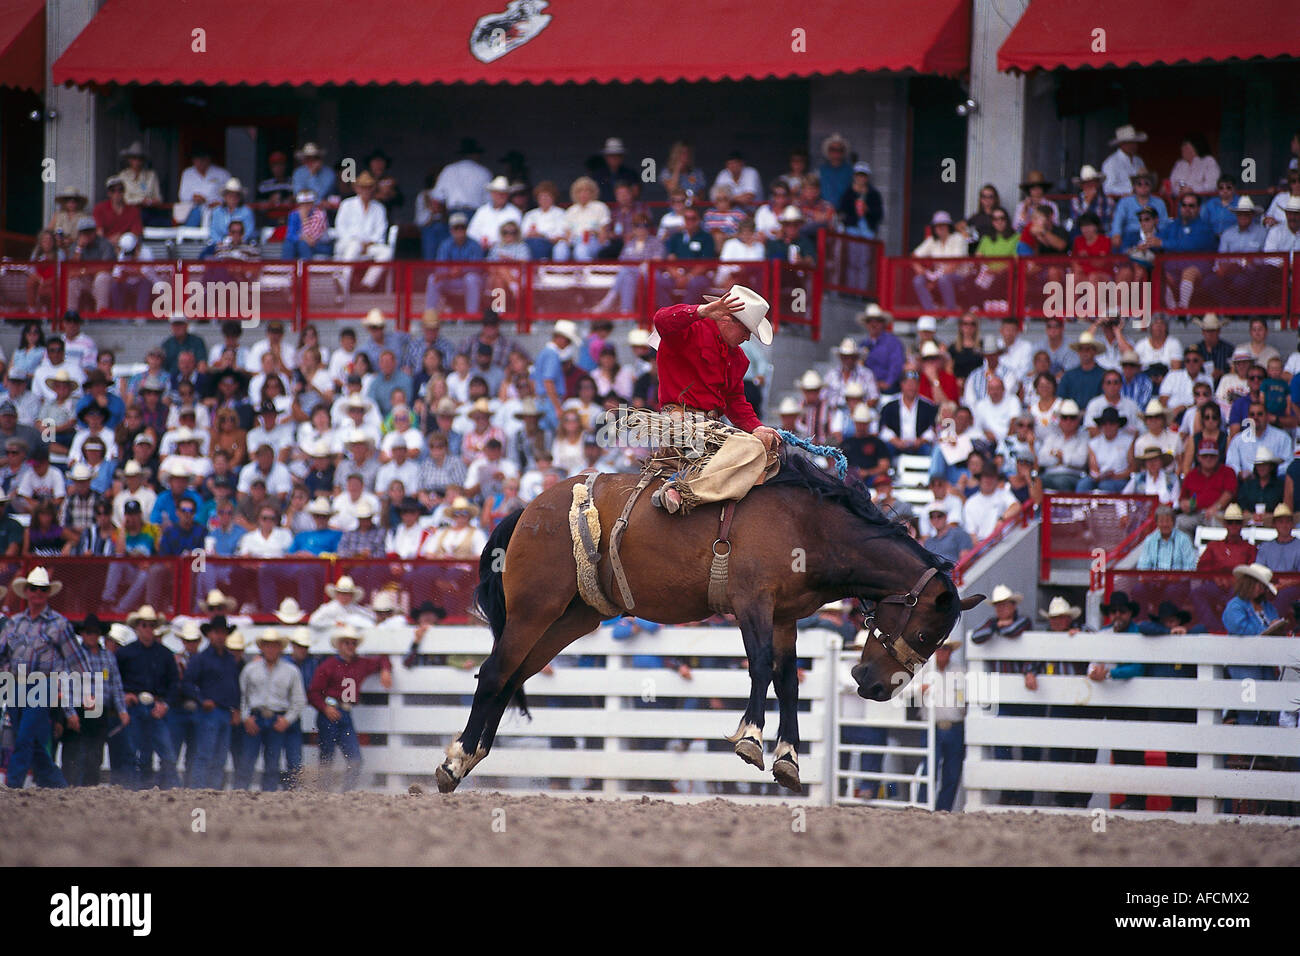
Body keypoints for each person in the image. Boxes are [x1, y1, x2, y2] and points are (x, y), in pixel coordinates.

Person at [646, 288, 781, 514]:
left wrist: (758, 427)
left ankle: (684, 488)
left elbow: (736, 402)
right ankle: (685, 488)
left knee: (770, 457)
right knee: (750, 449)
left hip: (711, 427)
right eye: (747, 330)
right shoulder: (689, 329)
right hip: (680, 420)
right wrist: (701, 311)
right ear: (727, 319)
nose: (747, 337)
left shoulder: (739, 359)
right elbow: (661, 319)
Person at [0, 568, 87, 789]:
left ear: (48, 593)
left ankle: (13, 784)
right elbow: (3, 654)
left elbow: (76, 660)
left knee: (24, 737)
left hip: (43, 684)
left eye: (42, 589)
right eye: (34, 588)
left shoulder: (59, 624)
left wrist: (86, 691)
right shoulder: (14, 622)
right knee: (29, 739)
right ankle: (56, 783)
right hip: (15, 684)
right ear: (26, 591)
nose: (38, 593)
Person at [969, 584, 1040, 806]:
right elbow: (976, 637)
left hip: (1023, 697)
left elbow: (1013, 631)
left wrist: (997, 629)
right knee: (1003, 745)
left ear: (1013, 605)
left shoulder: (1025, 620)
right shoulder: (996, 623)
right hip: (1005, 696)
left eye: (1004, 605)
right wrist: (998, 628)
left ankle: (1024, 795)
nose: (1001, 609)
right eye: (998, 606)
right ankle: (1008, 792)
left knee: (1027, 746)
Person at [307, 624, 392, 791]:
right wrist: (324, 708)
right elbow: (313, 692)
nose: (351, 647)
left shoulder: (361, 663)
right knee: (327, 756)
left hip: (345, 714)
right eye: (347, 643)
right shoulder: (328, 666)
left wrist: (385, 670)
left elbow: (383, 659)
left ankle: (347, 792)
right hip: (329, 714)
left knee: (355, 759)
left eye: (353, 643)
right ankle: (323, 791)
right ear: (339, 645)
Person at [116, 604, 181, 789]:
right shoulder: (124, 653)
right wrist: (124, 696)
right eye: (144, 625)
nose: (148, 629)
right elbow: (114, 680)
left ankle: (172, 790)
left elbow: (174, 683)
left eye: (151, 625)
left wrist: (165, 704)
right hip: (133, 706)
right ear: (137, 627)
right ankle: (131, 789)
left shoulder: (165, 654)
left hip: (156, 707)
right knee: (133, 752)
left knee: (167, 754)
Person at [61, 614, 127, 787]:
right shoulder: (73, 656)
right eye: (88, 632)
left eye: (95, 632)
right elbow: (66, 684)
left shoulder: (108, 657)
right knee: (74, 752)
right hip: (79, 709)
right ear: (82, 634)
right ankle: (70, 788)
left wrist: (122, 710)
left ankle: (90, 787)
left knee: (95, 753)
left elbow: (116, 685)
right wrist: (70, 712)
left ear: (99, 634)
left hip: (100, 711)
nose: (91, 635)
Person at [238, 629, 306, 793]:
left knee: (272, 762)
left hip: (277, 718)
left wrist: (287, 719)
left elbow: (299, 700)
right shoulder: (250, 669)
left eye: (274, 646)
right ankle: (239, 794)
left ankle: (269, 795)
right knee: (247, 760)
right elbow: (242, 696)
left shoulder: (291, 671)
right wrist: (245, 717)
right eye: (267, 645)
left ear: (280, 648)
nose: (270, 649)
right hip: (255, 717)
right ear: (262, 647)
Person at [181, 614, 242, 790]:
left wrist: (236, 709)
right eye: (217, 632)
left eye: (223, 632)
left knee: (220, 757)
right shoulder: (200, 659)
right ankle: (199, 789)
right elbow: (187, 683)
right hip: (209, 712)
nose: (220, 636)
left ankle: (213, 790)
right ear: (210, 634)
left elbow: (234, 686)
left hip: (224, 712)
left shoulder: (230, 659)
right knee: (205, 754)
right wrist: (201, 700)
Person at [1222, 563, 1280, 726]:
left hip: (1265, 661)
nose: (1261, 590)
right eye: (1258, 585)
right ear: (1248, 584)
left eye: (1263, 587)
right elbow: (1238, 627)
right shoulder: (1235, 606)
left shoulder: (1267, 607)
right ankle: (1245, 745)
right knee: (1249, 704)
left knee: (1267, 702)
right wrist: (1269, 628)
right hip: (1244, 662)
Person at [1136, 504, 1197, 570]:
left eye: (1168, 521)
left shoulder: (1184, 539)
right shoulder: (1150, 540)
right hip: (1154, 579)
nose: (1165, 524)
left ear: (1173, 522)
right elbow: (1143, 566)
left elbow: (1190, 566)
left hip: (1177, 579)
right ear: (1156, 523)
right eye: (1161, 521)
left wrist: (1179, 577)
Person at [1257, 503, 1300, 571]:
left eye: (1288, 521)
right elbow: (1258, 572)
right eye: (1280, 522)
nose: (1284, 525)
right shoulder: (1265, 548)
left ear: (1292, 524)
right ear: (1274, 524)